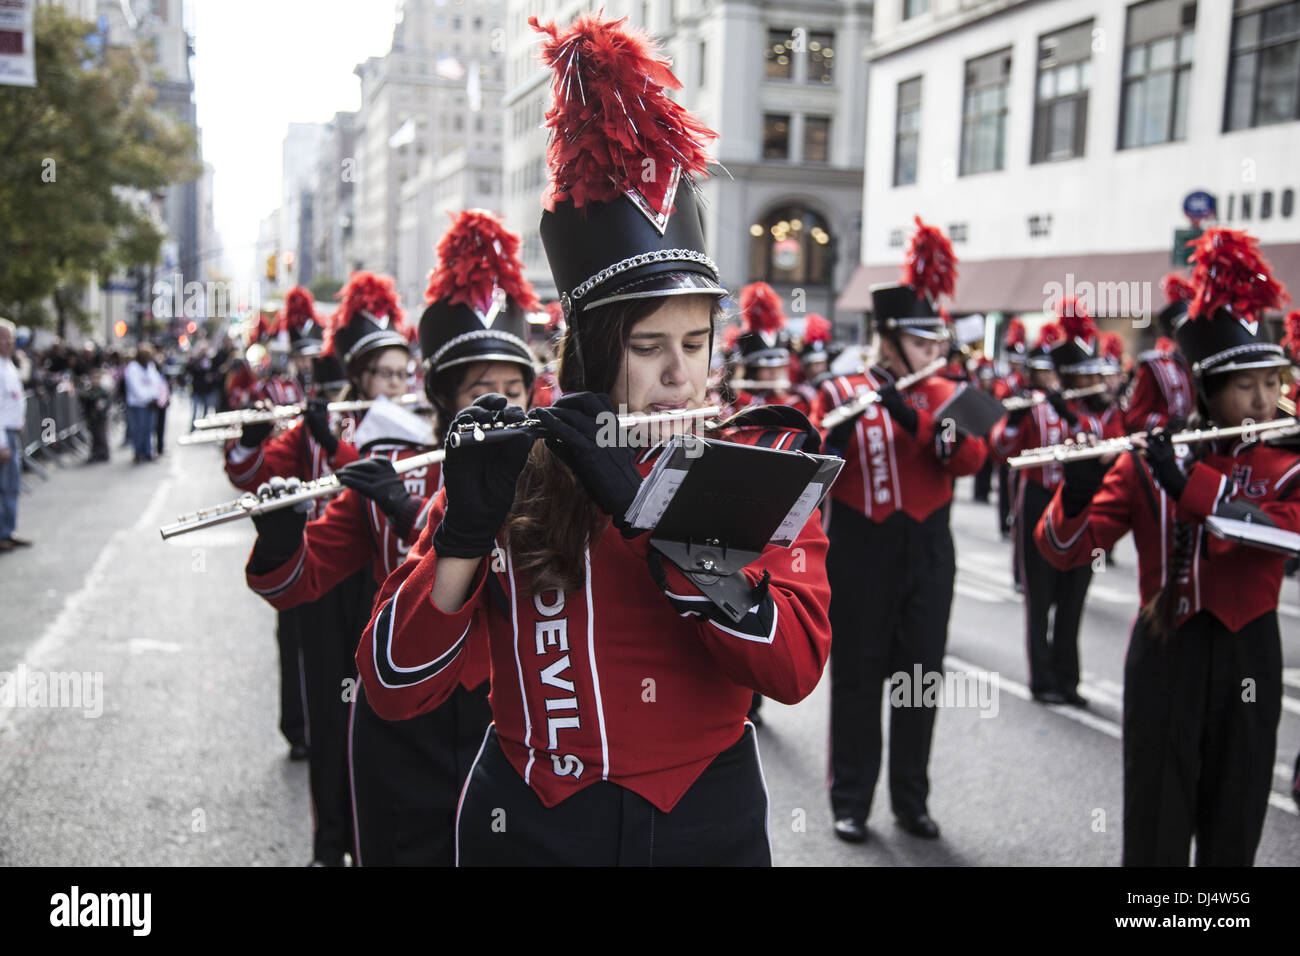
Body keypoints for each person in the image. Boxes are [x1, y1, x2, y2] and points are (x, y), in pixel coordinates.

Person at [356, 13, 831, 866]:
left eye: (695, 345)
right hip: (529, 824)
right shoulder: (517, 465)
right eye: (649, 348)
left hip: (704, 821)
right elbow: (394, 685)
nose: (681, 376)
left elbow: (794, 667)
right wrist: (464, 532)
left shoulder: (765, 464)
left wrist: (655, 515)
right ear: (593, 353)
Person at [246, 210, 538, 866]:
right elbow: (299, 579)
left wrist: (411, 512)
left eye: (514, 390)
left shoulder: (552, 481)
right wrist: (278, 534)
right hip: (405, 714)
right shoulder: (388, 463)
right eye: (480, 392)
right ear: (442, 400)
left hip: (514, 717)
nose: (500, 407)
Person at [1034, 228, 1297, 866]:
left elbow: (1281, 535)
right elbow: (1068, 549)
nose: (1264, 400)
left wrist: (1193, 488)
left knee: (1232, 825)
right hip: (1162, 651)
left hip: (1247, 655)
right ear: (1208, 392)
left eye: (1273, 382)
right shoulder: (1153, 458)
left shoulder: (1285, 463)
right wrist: (1073, 492)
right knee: (1154, 823)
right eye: (1246, 386)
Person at [814, 217, 988, 844]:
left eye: (936, 339)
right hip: (861, 549)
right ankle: (851, 800)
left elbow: (971, 459)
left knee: (919, 679)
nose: (933, 351)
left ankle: (911, 800)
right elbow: (811, 469)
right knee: (858, 677)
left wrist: (914, 418)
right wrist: (826, 436)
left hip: (929, 550)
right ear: (887, 339)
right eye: (920, 341)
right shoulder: (839, 388)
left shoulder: (952, 392)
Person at [990, 301, 1124, 706]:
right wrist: (1014, 420)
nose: (1095, 384)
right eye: (1086, 378)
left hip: (1081, 504)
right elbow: (999, 449)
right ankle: (1042, 679)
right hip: (1039, 499)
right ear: (1066, 377)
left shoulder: (1103, 414)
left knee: (1074, 594)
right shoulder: (1036, 405)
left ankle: (1069, 678)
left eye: (1095, 377)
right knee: (1040, 595)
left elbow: (1113, 452)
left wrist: (1078, 417)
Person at [0, 318, 31, 552]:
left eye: (10, 338)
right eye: (4, 337)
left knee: (11, 486)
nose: (9, 342)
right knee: (4, 486)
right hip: (3, 436)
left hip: (12, 433)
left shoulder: (9, 365)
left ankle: (8, 530)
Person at [124, 343, 163, 464]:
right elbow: (135, 387)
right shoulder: (132, 368)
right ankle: (138, 452)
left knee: (149, 429)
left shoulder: (150, 366)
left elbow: (156, 382)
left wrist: (154, 396)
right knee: (138, 429)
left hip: (150, 403)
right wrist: (146, 398)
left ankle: (148, 451)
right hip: (137, 405)